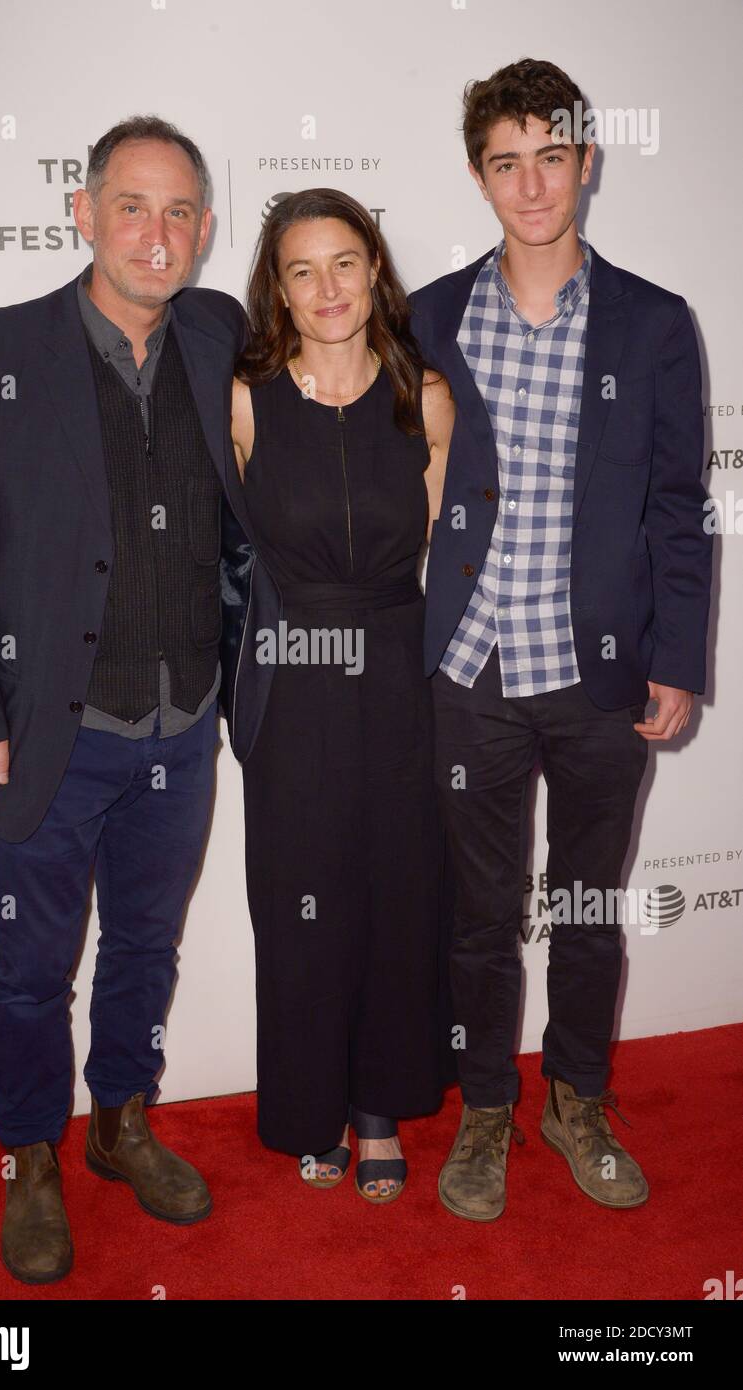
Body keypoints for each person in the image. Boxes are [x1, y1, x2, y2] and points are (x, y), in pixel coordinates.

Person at [0, 115, 257, 1283]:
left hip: (186, 722)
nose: (154, 235)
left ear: (206, 232)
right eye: (132, 207)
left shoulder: (220, 336)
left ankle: (119, 1120)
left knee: (146, 950)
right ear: (84, 214)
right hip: (52, 731)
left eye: (178, 214)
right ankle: (28, 1154)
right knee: (29, 964)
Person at [409, 58, 713, 1221]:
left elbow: (679, 502)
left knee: (589, 907)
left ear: (586, 161)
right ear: (480, 174)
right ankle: (486, 1103)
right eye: (505, 161)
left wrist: (677, 655)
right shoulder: (429, 315)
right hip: (470, 669)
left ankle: (575, 1093)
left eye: (551, 156)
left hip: (598, 673)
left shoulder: (651, 322)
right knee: (481, 915)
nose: (530, 184)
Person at [227, 188, 456, 1203]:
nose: (327, 289)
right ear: (276, 290)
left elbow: (441, 560)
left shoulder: (427, 396)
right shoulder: (246, 399)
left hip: (402, 678)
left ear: (375, 270)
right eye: (300, 270)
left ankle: (376, 1107)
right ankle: (308, 1102)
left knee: (398, 897)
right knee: (302, 904)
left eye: (344, 264)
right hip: (295, 686)